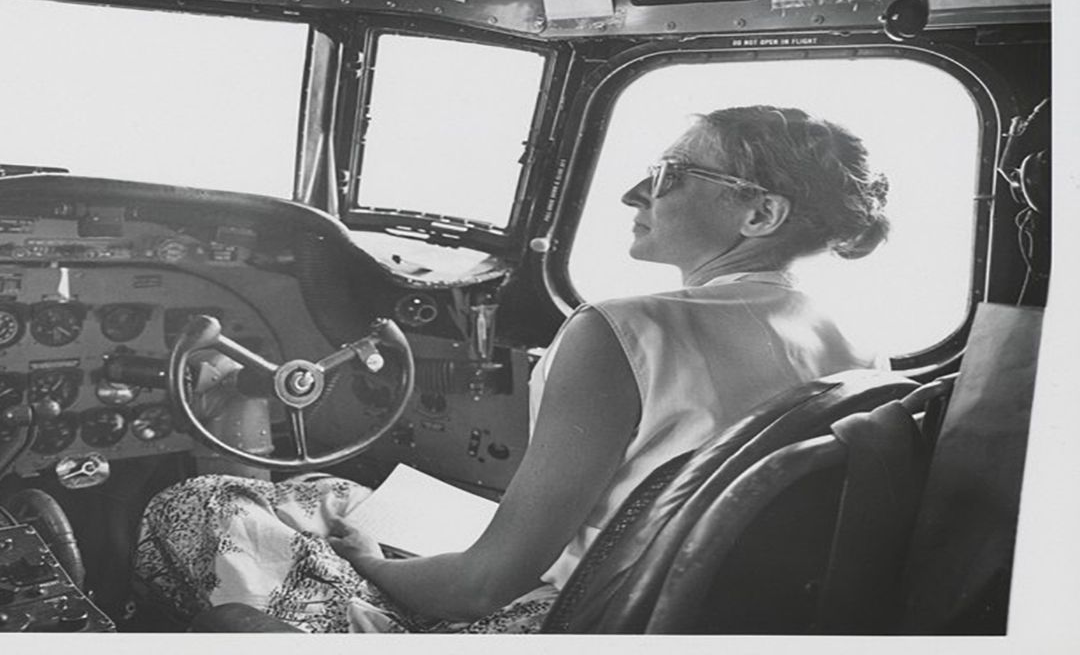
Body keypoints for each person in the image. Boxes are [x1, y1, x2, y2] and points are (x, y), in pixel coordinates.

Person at [131, 105, 891, 633]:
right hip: (687, 611)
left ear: (759, 215)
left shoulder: (623, 331)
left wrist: (370, 563)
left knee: (198, 503)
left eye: (671, 173)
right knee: (321, 492)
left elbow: (481, 588)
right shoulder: (861, 344)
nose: (636, 192)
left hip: (565, 619)